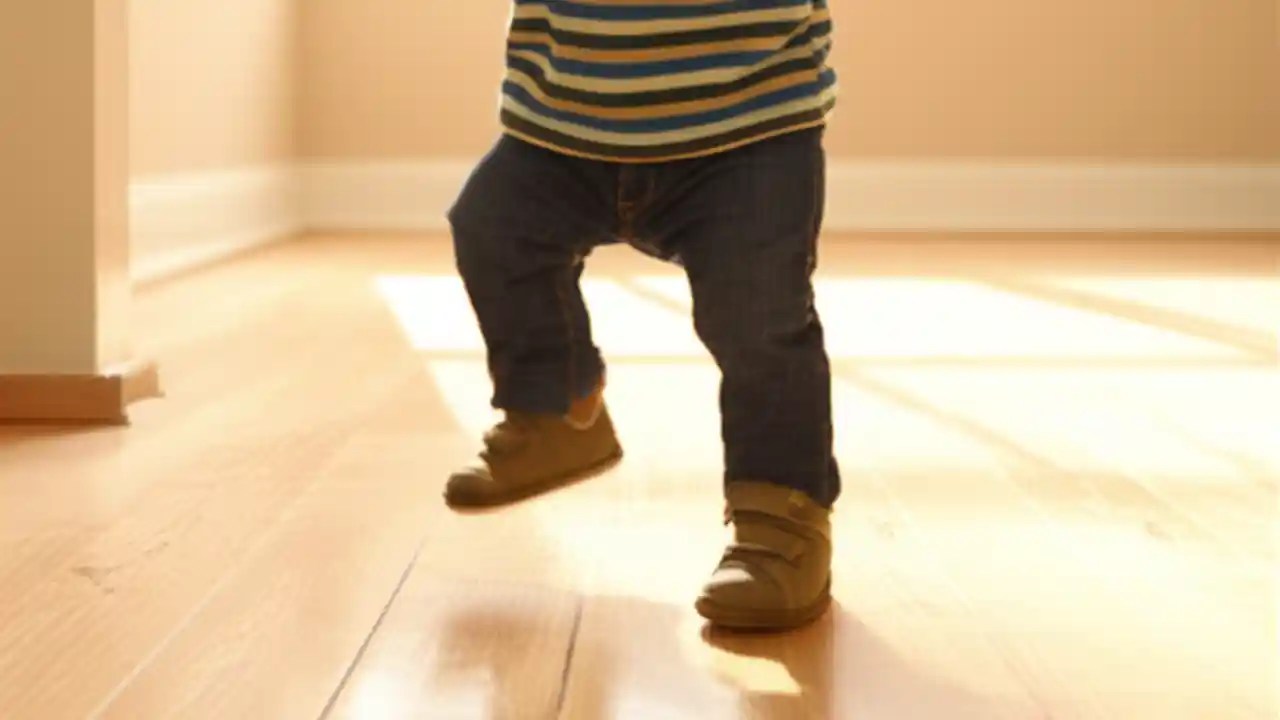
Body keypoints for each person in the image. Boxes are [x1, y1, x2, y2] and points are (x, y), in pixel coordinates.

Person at [445, 0, 840, 631]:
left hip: (749, 124)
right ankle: (555, 411)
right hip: (560, 120)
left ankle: (781, 516)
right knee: (494, 229)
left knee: (757, 314)